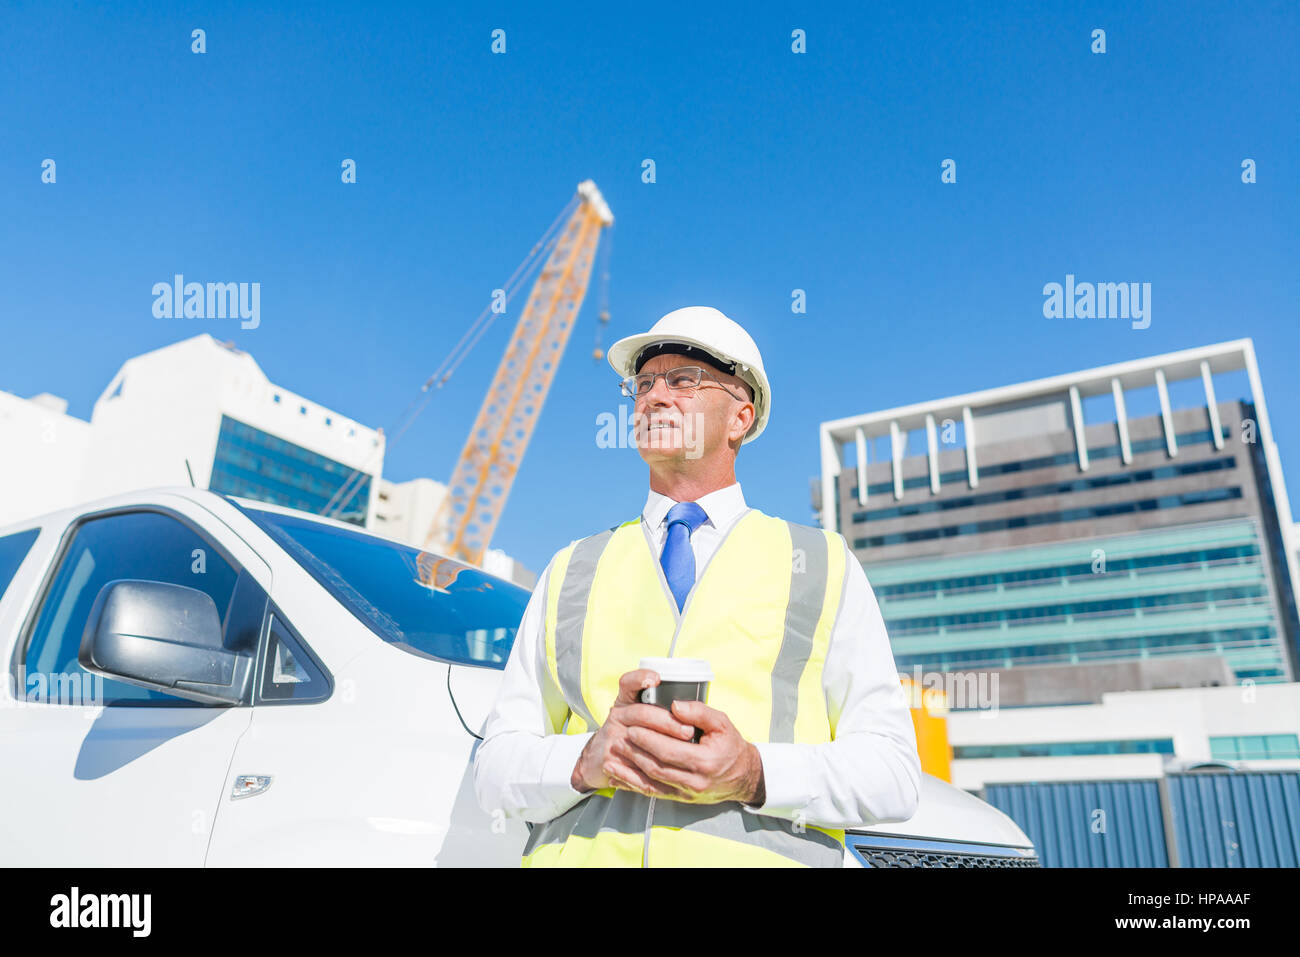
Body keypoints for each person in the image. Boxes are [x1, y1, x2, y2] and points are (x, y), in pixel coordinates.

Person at [473, 305, 921, 867]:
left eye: (683, 381)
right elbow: (494, 770)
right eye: (642, 384)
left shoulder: (821, 564)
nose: (654, 398)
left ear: (740, 418)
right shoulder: (571, 569)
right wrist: (589, 759)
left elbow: (894, 775)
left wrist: (753, 773)